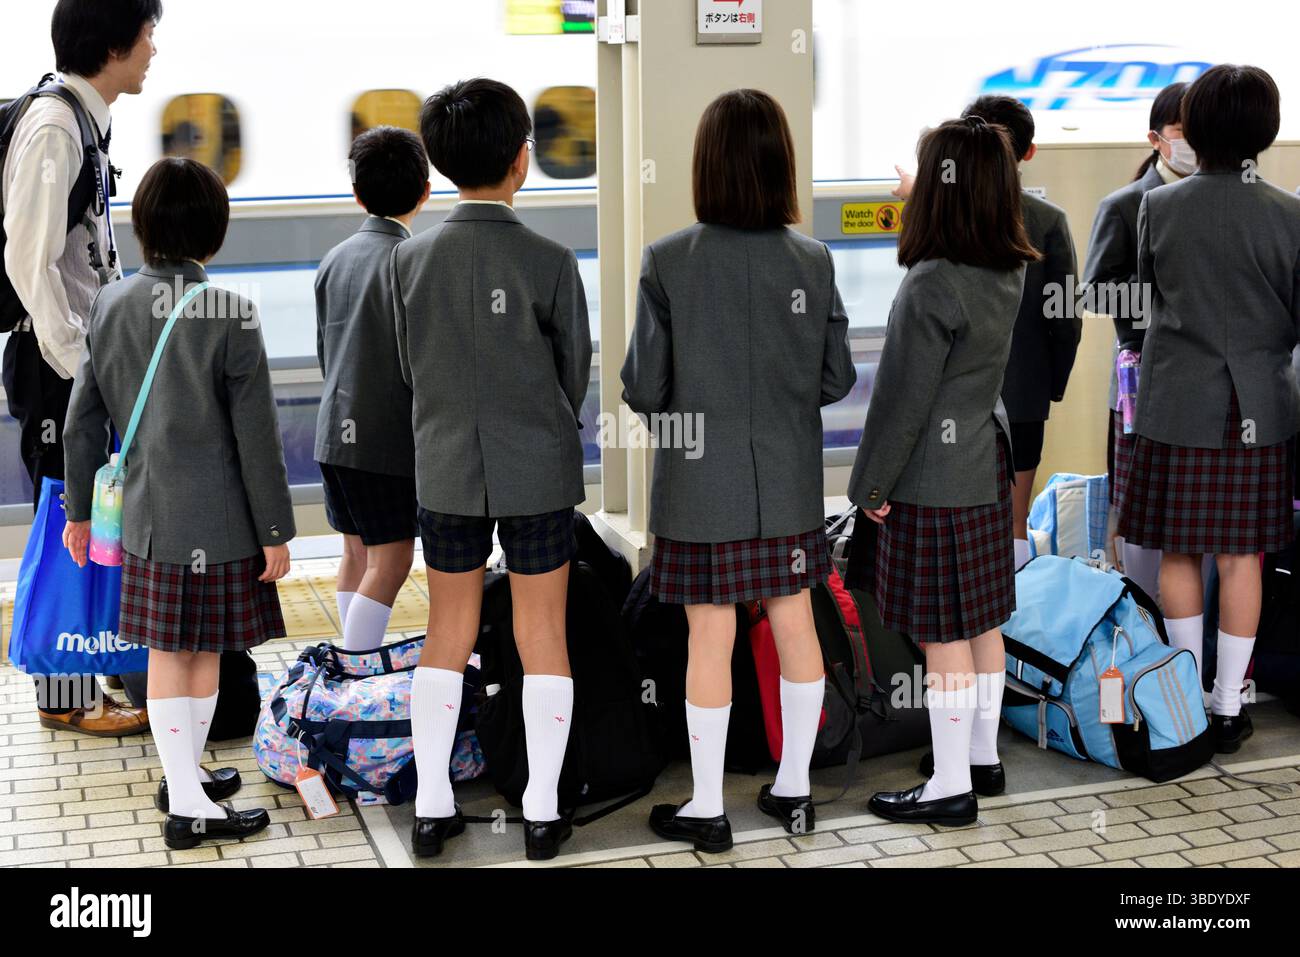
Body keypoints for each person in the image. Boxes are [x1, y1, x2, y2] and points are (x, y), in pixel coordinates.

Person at [621, 89, 855, 853]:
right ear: (781, 164)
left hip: (699, 487)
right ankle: (794, 792)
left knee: (708, 638)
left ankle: (708, 805)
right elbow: (836, 378)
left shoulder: (668, 260)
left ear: (706, 165)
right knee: (795, 623)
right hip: (785, 483)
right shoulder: (813, 259)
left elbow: (644, 388)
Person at [62, 157, 296, 849]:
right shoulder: (233, 313)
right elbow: (260, 441)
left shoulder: (110, 303)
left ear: (142, 229)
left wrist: (78, 511)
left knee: (172, 649)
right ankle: (189, 805)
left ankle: (184, 774)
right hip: (219, 523)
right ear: (213, 234)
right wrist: (276, 529)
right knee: (202, 655)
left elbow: (82, 420)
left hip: (148, 518)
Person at [393, 78, 592, 861]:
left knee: (449, 629)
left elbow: (410, 367)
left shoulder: (409, 261)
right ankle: (542, 810)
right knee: (543, 630)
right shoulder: (548, 260)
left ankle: (435, 806)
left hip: (444, 464)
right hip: (536, 466)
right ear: (522, 161)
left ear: (441, 164)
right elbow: (572, 371)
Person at [847, 116, 1040, 827]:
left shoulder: (931, 284)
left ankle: (949, 785)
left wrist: (869, 487)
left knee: (941, 636)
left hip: (934, 476)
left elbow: (899, 404)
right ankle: (982, 757)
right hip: (986, 460)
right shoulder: (1008, 265)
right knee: (983, 618)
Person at [1119, 64, 1300, 753]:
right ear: (1267, 129)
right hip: (1259, 405)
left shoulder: (1158, 207)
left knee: (1179, 550)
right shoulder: (1290, 214)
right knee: (1244, 553)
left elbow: (1143, 301)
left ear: (1192, 128)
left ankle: (1183, 701)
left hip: (1176, 401)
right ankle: (1230, 705)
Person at [1, 0, 159, 736]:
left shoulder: (81, 120)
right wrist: (81, 373)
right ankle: (64, 702)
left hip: (77, 363)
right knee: (63, 521)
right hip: (54, 363)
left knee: (85, 519)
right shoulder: (54, 128)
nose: (154, 46)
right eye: (148, 32)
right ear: (115, 44)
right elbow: (27, 262)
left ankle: (83, 680)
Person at [315, 126, 429, 650]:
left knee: (356, 554)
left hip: (333, 435)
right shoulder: (412, 261)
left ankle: (344, 666)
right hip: (384, 440)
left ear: (358, 194)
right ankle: (353, 667)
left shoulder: (334, 259)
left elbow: (326, 352)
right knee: (393, 559)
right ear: (426, 191)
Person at [960, 96, 1079, 571]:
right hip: (1023, 391)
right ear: (1028, 153)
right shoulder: (1047, 220)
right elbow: (1065, 316)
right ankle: (1014, 634)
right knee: (1013, 518)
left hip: (953, 392)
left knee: (957, 517)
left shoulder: (945, 211)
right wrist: (1053, 386)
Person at [1082, 81, 1190, 602]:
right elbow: (1095, 293)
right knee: (1140, 511)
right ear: (1156, 138)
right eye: (1180, 133)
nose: (1191, 143)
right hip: (1139, 382)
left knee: (1197, 517)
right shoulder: (1125, 204)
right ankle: (1147, 630)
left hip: (1200, 383)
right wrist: (1168, 293)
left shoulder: (1212, 199)